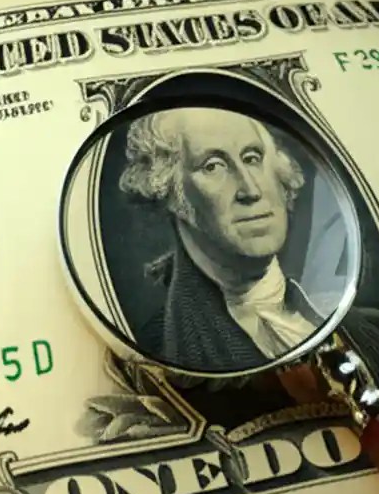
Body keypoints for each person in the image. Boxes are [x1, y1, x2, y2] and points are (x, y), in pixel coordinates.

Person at [118, 106, 346, 373]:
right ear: (167, 188)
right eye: (213, 166)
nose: (251, 190)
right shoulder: (157, 355)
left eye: (252, 158)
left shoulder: (370, 329)